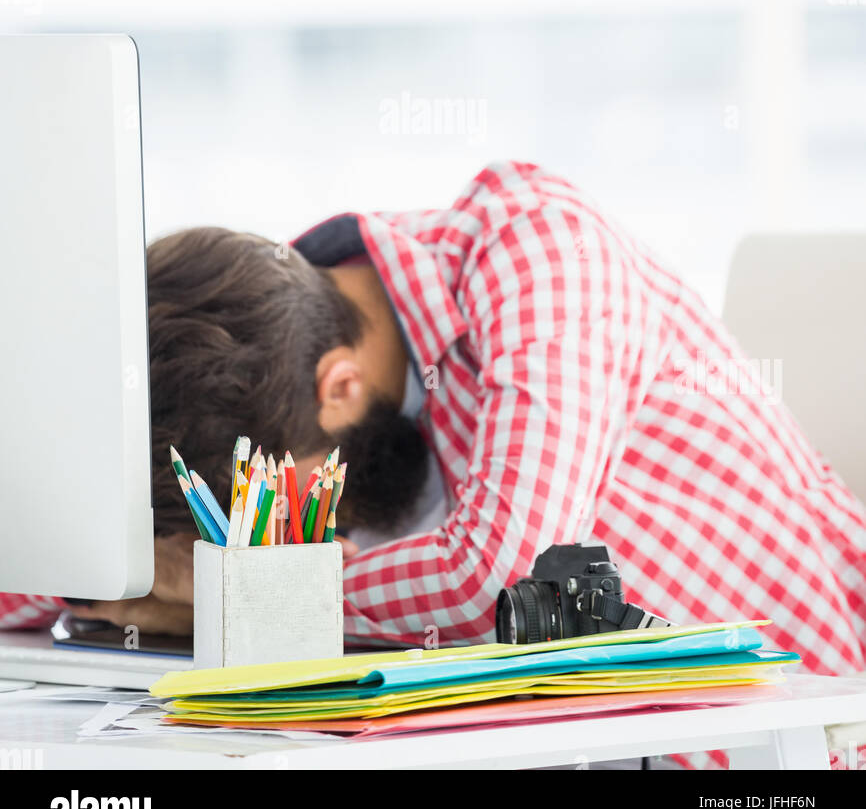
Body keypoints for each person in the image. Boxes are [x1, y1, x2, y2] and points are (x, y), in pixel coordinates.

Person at [2, 160, 865, 688]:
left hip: (798, 735)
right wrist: (106, 567)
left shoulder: (540, 250)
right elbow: (39, 571)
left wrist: (219, 598)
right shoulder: (263, 375)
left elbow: (508, 581)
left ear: (341, 386)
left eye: (264, 520)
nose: (265, 543)